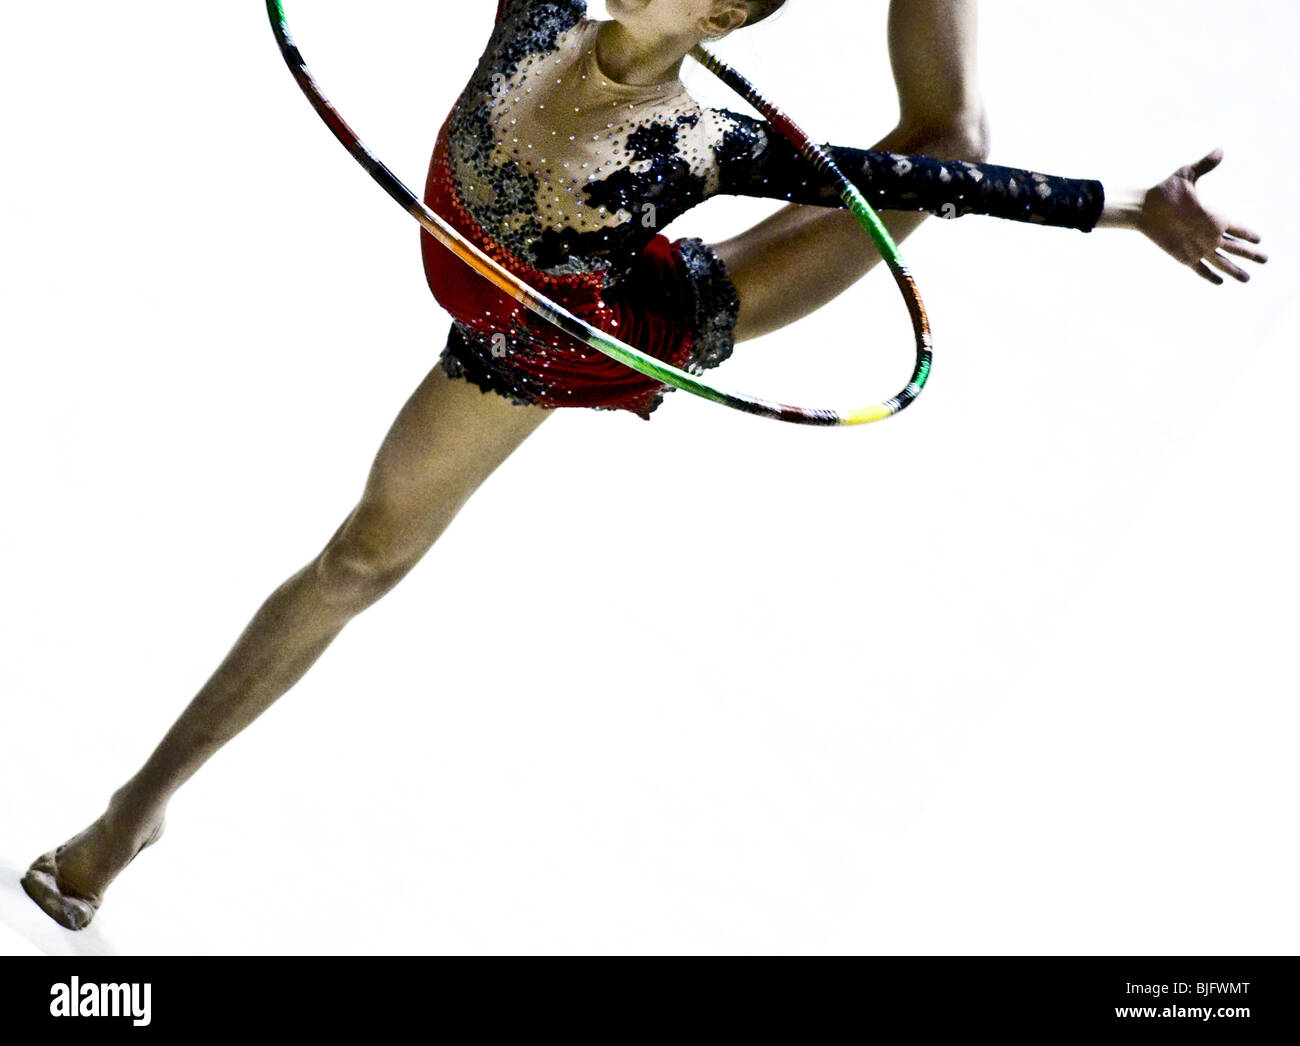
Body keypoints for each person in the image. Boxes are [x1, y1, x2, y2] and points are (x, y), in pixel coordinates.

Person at [22, 0, 1265, 930]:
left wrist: (1127, 206)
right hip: (504, 303)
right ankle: (141, 809)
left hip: (596, 329)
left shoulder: (701, 141)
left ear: (725, 18)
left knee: (943, 142)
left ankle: (126, 816)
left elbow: (936, 181)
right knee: (354, 558)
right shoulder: (546, 2)